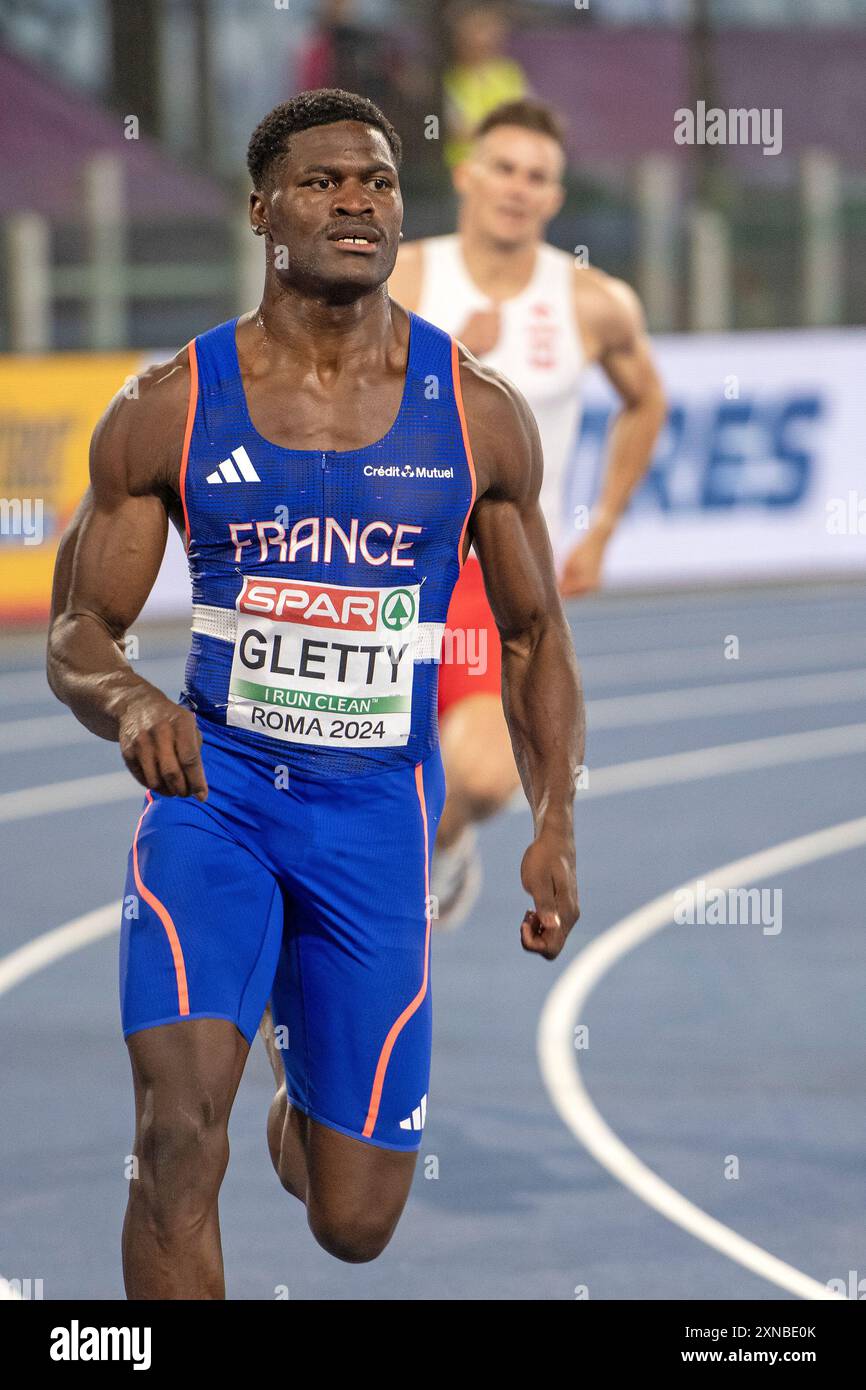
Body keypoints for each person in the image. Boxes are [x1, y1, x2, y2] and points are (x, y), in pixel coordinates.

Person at [46, 88, 584, 1299]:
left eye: (379, 182)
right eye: (324, 181)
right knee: (177, 1139)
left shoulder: (477, 416)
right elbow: (80, 627)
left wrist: (553, 820)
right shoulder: (168, 407)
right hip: (216, 801)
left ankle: (311, 1075)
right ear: (261, 210)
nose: (356, 200)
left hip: (373, 821)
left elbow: (535, 632)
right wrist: (133, 703)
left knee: (355, 1221)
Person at [388, 98, 667, 926]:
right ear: (466, 172)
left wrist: (604, 526)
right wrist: (438, 357)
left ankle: (444, 848)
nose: (518, 187)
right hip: (386, 559)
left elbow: (645, 401)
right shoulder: (401, 278)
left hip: (500, 571)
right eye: (503, 167)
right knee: (355, 787)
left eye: (537, 176)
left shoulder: (592, 301)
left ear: (556, 196)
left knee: (474, 776)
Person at [443, 2, 528, 168]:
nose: (486, 38)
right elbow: (458, 130)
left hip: (507, 168)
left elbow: (528, 117)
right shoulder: (447, 79)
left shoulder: (509, 73)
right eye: (478, 29)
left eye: (492, 28)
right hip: (463, 171)